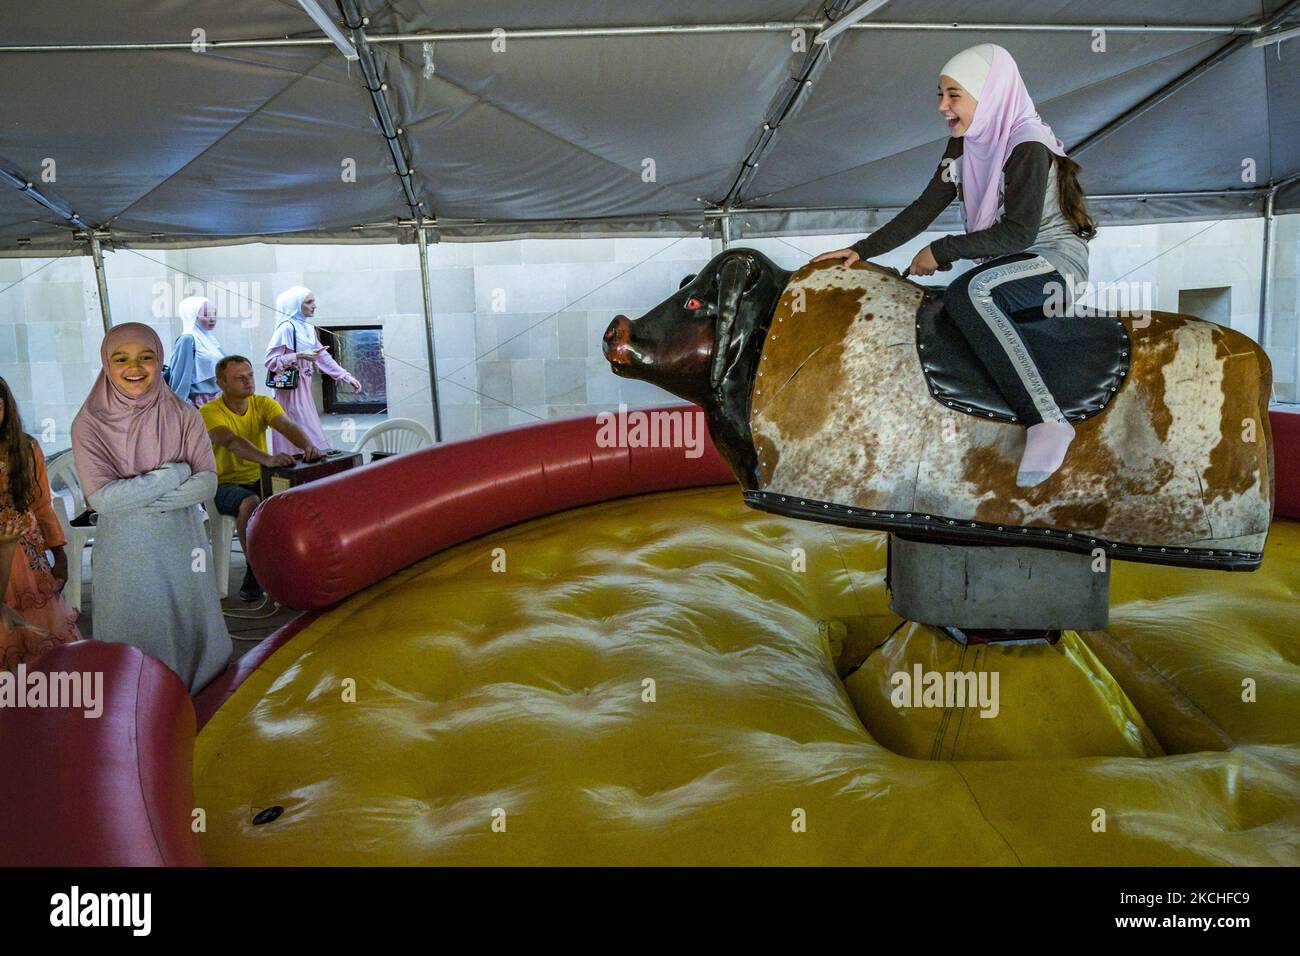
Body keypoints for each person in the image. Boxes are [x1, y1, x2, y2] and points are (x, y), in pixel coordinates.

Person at [815, 42, 1095, 487]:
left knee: (970, 290)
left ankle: (1048, 420)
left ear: (990, 95)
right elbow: (926, 205)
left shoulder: (1027, 146)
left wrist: (942, 251)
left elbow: (1020, 234)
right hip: (1007, 261)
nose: (942, 107)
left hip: (1051, 264)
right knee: (944, 304)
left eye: (953, 95)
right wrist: (862, 251)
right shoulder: (965, 143)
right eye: (940, 94)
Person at [71, 323, 232, 694]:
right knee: (137, 634)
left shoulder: (182, 414)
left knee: (190, 628)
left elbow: (207, 483)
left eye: (146, 357)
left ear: (160, 361)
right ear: (106, 364)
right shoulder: (89, 423)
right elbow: (102, 500)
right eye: (121, 358)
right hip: (126, 552)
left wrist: (135, 498)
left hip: (182, 543)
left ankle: (197, 715)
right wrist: (174, 473)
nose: (135, 367)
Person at [201, 355, 325, 602]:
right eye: (239, 378)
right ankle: (256, 570)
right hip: (222, 484)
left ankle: (299, 566)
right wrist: (267, 459)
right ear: (221, 383)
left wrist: (309, 446)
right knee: (250, 502)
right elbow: (230, 441)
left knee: (293, 498)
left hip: (260, 476)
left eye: (250, 375)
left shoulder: (262, 403)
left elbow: (287, 426)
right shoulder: (208, 411)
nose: (248, 382)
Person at [0, 375, 82, 670]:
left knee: (36, 640)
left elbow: (42, 505)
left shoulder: (25, 447)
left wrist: (59, 554)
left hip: (28, 556)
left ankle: (36, 704)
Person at [264, 286, 361, 456]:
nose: (314, 306)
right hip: (290, 391)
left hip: (304, 388)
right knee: (306, 434)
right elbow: (271, 361)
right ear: (295, 306)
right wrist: (299, 355)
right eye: (308, 302)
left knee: (310, 432)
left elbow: (323, 357)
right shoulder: (286, 328)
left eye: (313, 301)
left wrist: (346, 376)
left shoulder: (308, 328)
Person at [168, 295, 225, 408]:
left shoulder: (211, 340)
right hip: (200, 403)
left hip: (219, 400)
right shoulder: (187, 340)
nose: (212, 318)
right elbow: (180, 378)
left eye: (214, 313)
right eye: (205, 315)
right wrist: (182, 409)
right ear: (192, 316)